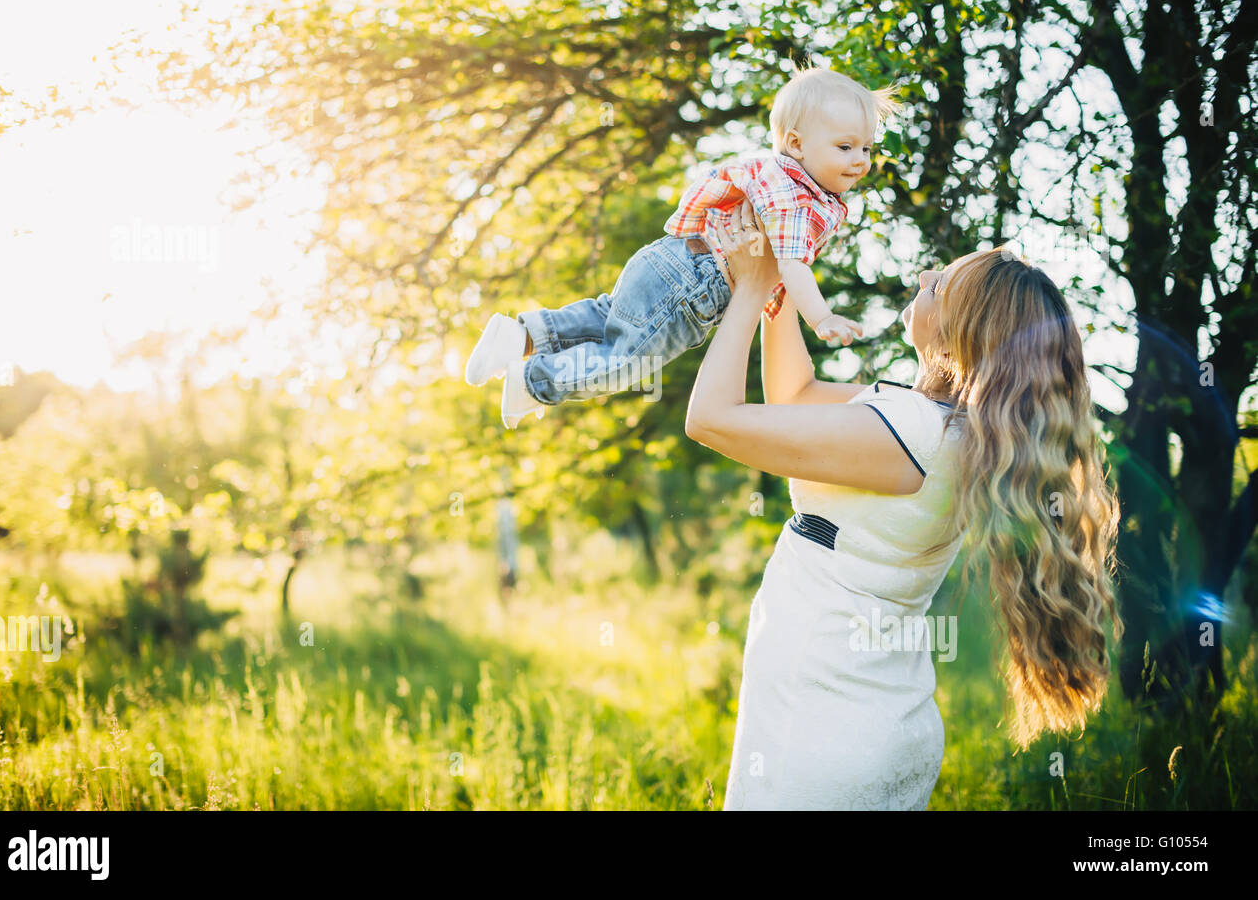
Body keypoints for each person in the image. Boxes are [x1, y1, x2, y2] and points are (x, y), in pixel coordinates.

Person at [687, 201, 1122, 810]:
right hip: (873, 718)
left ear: (959, 330)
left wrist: (749, 287)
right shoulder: (955, 430)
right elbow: (795, 395)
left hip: (820, 726)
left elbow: (709, 419)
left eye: (939, 282)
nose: (922, 278)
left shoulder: (912, 431)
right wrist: (779, 282)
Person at [463, 66, 898, 428]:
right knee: (626, 363)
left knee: (607, 317)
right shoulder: (793, 196)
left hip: (669, 258)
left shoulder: (774, 177)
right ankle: (533, 382)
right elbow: (791, 264)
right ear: (797, 143)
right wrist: (821, 318)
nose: (860, 159)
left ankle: (519, 334)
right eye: (845, 147)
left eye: (865, 147)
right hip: (693, 286)